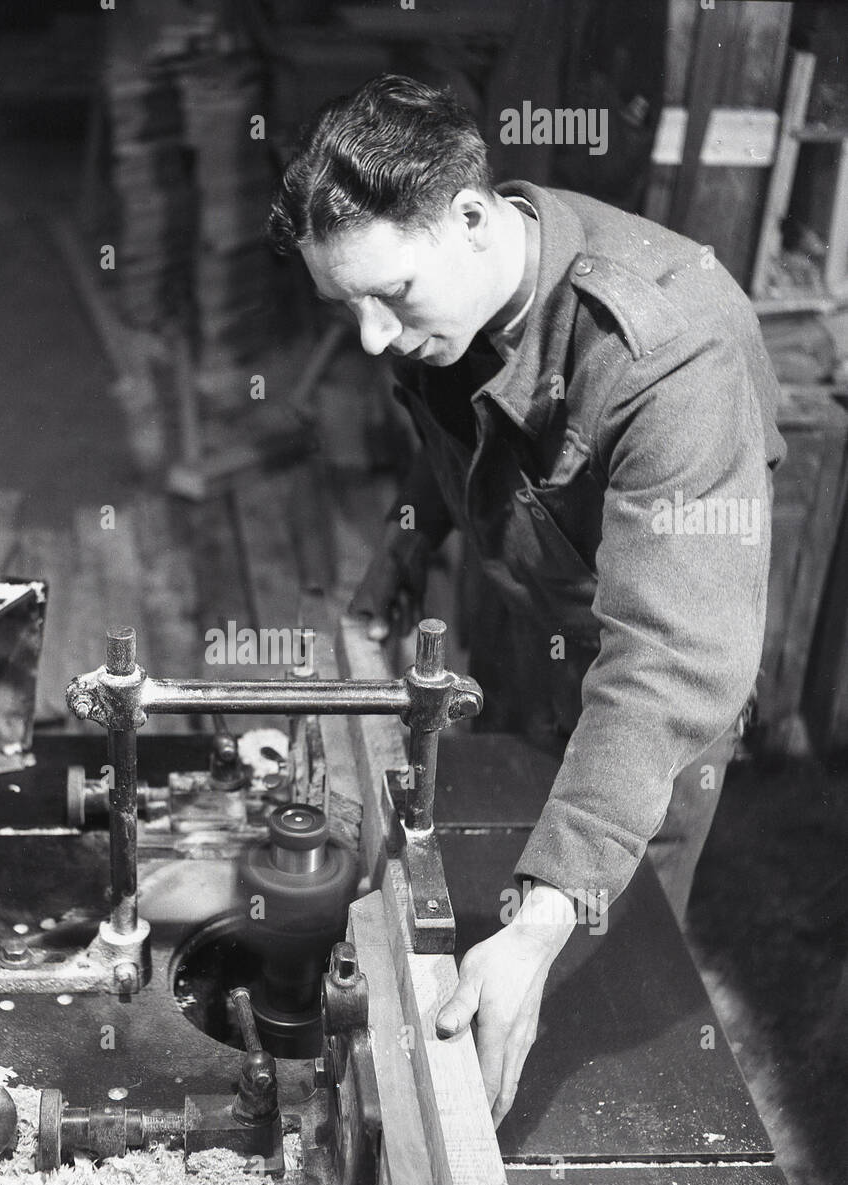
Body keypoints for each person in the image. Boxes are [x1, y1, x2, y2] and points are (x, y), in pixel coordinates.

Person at [268, 75, 780, 1125]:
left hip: (651, 700)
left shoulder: (671, 352)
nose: (370, 338)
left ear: (469, 215)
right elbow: (459, 434)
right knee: (473, 877)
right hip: (528, 617)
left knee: (591, 998)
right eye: (343, 305)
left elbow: (672, 662)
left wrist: (547, 919)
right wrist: (405, 545)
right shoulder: (447, 299)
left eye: (389, 296)